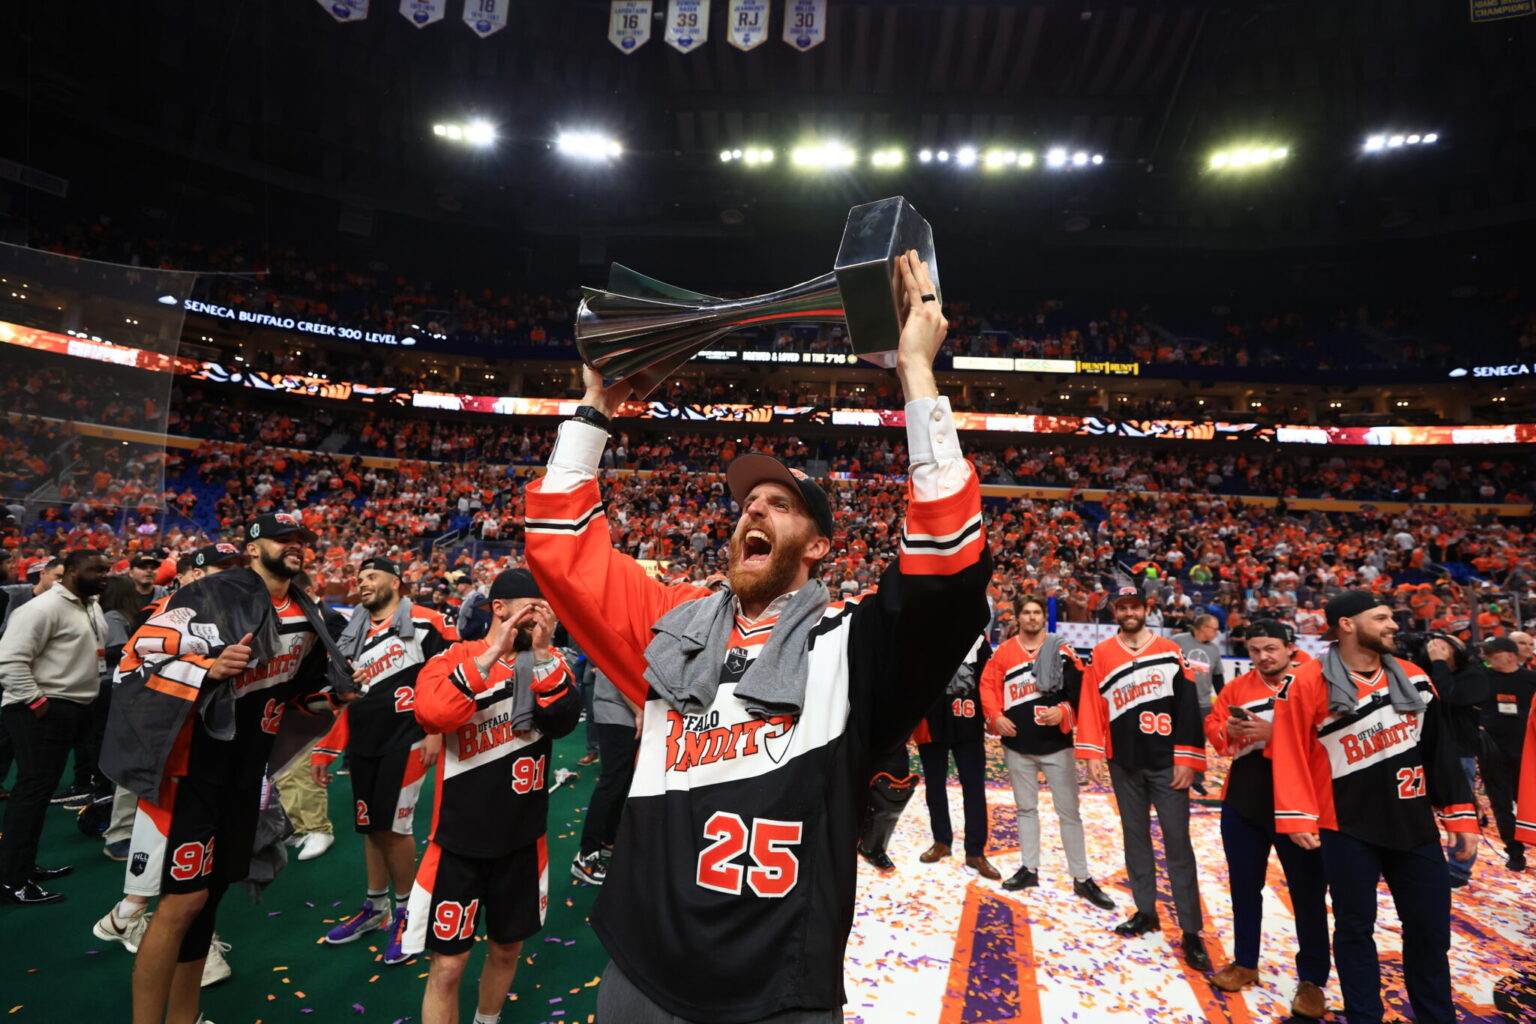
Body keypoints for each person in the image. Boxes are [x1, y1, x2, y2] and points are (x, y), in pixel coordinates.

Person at [525, 251, 990, 1022]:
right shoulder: (674, 621)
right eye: (749, 502)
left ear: (817, 548)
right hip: (640, 971)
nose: (754, 511)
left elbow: (946, 576)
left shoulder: (850, 647)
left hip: (775, 990)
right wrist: (594, 409)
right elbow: (560, 550)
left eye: (780, 504)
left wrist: (915, 374)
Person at [102, 512, 353, 1024]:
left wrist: (339, 698)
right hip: (195, 771)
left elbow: (301, 693)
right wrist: (205, 667)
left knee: (208, 902)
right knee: (179, 904)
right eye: (283, 539)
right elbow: (137, 656)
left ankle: (185, 1016)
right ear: (252, 546)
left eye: (301, 540)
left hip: (246, 774)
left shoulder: (307, 611)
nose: (295, 547)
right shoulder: (210, 594)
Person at [1270, 590, 1479, 1024]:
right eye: (1382, 617)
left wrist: (1459, 812)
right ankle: (1364, 1016)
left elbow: (1439, 750)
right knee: (1353, 929)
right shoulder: (1307, 682)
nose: (1393, 625)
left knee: (1429, 932)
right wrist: (1296, 813)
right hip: (1345, 825)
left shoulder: (1415, 676)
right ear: (1347, 624)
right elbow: (1288, 750)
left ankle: (1436, 1017)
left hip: (1414, 824)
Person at [408, 568, 579, 1024]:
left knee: (507, 950)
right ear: (499, 610)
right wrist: (489, 656)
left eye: (545, 613)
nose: (539, 621)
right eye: (530, 611)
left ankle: (488, 1020)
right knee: (447, 967)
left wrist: (541, 654)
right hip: (459, 843)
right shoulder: (453, 657)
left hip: (522, 841)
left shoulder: (550, 661)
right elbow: (432, 713)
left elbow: (562, 721)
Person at [92, 544, 247, 986]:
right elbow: (137, 679)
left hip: (203, 753)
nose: (235, 577)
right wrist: (207, 668)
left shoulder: (219, 611)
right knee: (184, 855)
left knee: (190, 850)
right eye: (224, 569)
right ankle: (171, 932)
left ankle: (129, 913)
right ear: (194, 574)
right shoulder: (165, 613)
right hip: (169, 752)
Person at [311, 556, 455, 963]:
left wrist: (435, 730)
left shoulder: (428, 621)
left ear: (397, 582)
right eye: (360, 578)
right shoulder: (351, 633)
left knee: (394, 827)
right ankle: (377, 907)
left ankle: (410, 913)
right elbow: (347, 701)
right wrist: (329, 746)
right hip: (365, 740)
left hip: (408, 737)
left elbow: (451, 676)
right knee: (370, 828)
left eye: (372, 576)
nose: (363, 583)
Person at [1076, 586, 1211, 971]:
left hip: (1168, 763)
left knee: (1177, 843)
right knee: (1134, 838)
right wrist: (1091, 753)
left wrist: (1188, 759)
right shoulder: (1102, 654)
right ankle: (1146, 911)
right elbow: (1091, 703)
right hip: (1124, 763)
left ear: (1146, 610)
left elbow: (1188, 707)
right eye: (1123, 607)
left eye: (1135, 606)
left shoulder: (1169, 650)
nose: (1129, 612)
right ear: (1116, 612)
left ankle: (1190, 930)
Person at [1203, 620, 1331, 1019]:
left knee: (1308, 895)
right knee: (1244, 888)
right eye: (1255, 650)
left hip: (1299, 803)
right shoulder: (1238, 687)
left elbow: (1330, 740)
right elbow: (1214, 728)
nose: (1263, 657)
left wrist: (1276, 733)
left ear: (1291, 647)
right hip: (1245, 799)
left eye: (1271, 648)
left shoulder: (1316, 680)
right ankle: (1245, 963)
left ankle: (1312, 980)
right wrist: (1226, 727)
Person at [980, 594, 1115, 909]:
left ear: (1044, 617)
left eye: (1036, 613)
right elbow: (988, 685)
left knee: (1069, 814)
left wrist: (1066, 711)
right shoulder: (1004, 654)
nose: (1031, 618)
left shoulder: (1063, 650)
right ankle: (1029, 869)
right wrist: (996, 716)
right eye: (1025, 613)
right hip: (1017, 747)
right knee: (1025, 810)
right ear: (1018, 617)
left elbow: (1080, 691)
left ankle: (1081, 878)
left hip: (1057, 748)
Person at [0, 549, 109, 904]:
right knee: (30, 794)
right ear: (72, 571)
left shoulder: (89, 605)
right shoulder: (41, 608)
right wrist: (36, 701)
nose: (104, 575)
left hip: (70, 707)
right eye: (97, 570)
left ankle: (22, 867)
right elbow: (10, 659)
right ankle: (11, 880)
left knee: (39, 792)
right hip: (40, 709)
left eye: (106, 569)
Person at [914, 635, 998, 878]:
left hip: (968, 723)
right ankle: (941, 841)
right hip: (931, 722)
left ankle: (975, 851)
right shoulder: (922, 634)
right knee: (935, 785)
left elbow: (988, 680)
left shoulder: (977, 639)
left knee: (974, 788)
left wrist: (991, 716)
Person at [571, 667, 640, 885]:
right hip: (619, 711)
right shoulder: (624, 633)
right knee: (613, 782)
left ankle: (607, 839)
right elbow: (620, 672)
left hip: (620, 709)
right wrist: (639, 711)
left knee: (621, 780)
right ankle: (586, 856)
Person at [1478, 635, 1535, 871]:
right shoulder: (1481, 678)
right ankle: (1514, 852)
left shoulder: (1531, 679)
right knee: (1501, 806)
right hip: (1493, 753)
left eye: (1493, 653)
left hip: (1528, 751)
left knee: (1530, 802)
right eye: (1486, 653)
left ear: (1510, 655)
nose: (1487, 657)